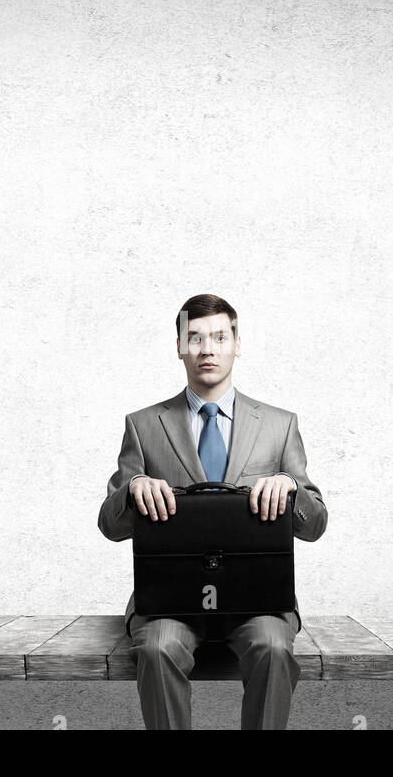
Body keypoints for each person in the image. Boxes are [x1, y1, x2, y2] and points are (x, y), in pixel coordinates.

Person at [97, 293, 328, 729]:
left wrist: (292, 488)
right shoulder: (144, 425)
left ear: (237, 344)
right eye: (196, 338)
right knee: (156, 648)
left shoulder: (279, 424)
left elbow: (315, 524)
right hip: (170, 600)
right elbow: (110, 526)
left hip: (258, 598)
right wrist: (132, 488)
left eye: (220, 337)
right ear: (180, 346)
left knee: (274, 648)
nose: (208, 349)